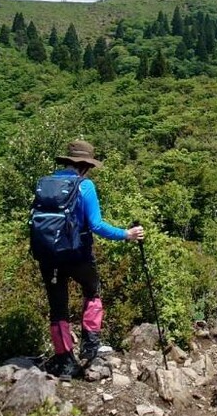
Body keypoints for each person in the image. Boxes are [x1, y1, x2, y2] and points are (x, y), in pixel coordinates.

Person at [34, 139, 143, 379]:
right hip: (78, 254)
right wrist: (126, 234)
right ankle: (90, 348)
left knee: (58, 308)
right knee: (92, 292)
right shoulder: (85, 186)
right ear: (85, 165)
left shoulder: (46, 183)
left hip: (48, 255)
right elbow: (96, 224)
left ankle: (64, 361)